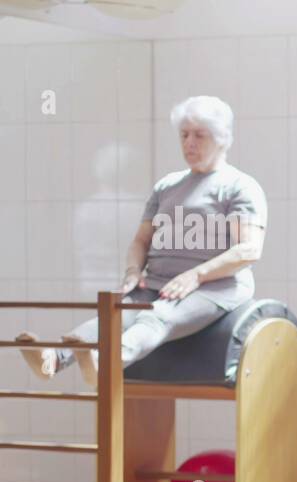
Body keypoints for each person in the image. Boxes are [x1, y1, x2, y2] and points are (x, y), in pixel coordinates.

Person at [15, 96, 266, 384]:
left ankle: (106, 363)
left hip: (215, 288)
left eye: (199, 135)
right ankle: (53, 359)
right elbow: (140, 242)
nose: (189, 143)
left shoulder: (239, 187)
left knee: (156, 316)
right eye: (184, 135)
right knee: (112, 318)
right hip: (158, 284)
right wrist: (133, 271)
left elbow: (248, 249)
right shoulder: (168, 186)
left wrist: (197, 275)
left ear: (222, 138)